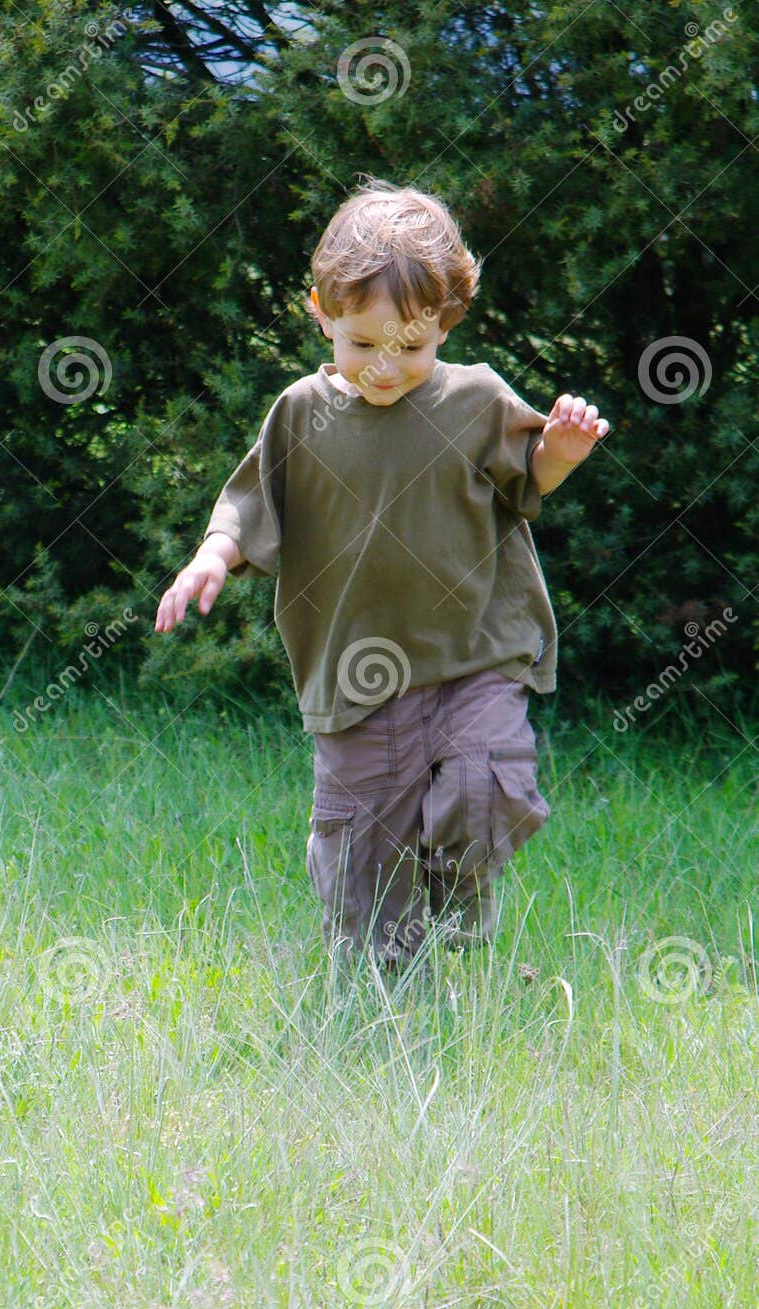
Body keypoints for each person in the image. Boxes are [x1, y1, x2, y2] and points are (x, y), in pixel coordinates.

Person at [154, 176, 610, 972]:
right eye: (361, 344)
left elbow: (527, 477)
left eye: (411, 346)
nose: (385, 367)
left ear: (447, 322)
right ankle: (382, 993)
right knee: (366, 854)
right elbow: (248, 508)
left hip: (475, 656)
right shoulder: (302, 413)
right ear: (320, 313)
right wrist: (209, 558)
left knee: (485, 786)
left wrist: (561, 452)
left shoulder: (475, 399)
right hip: (355, 675)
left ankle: (461, 903)